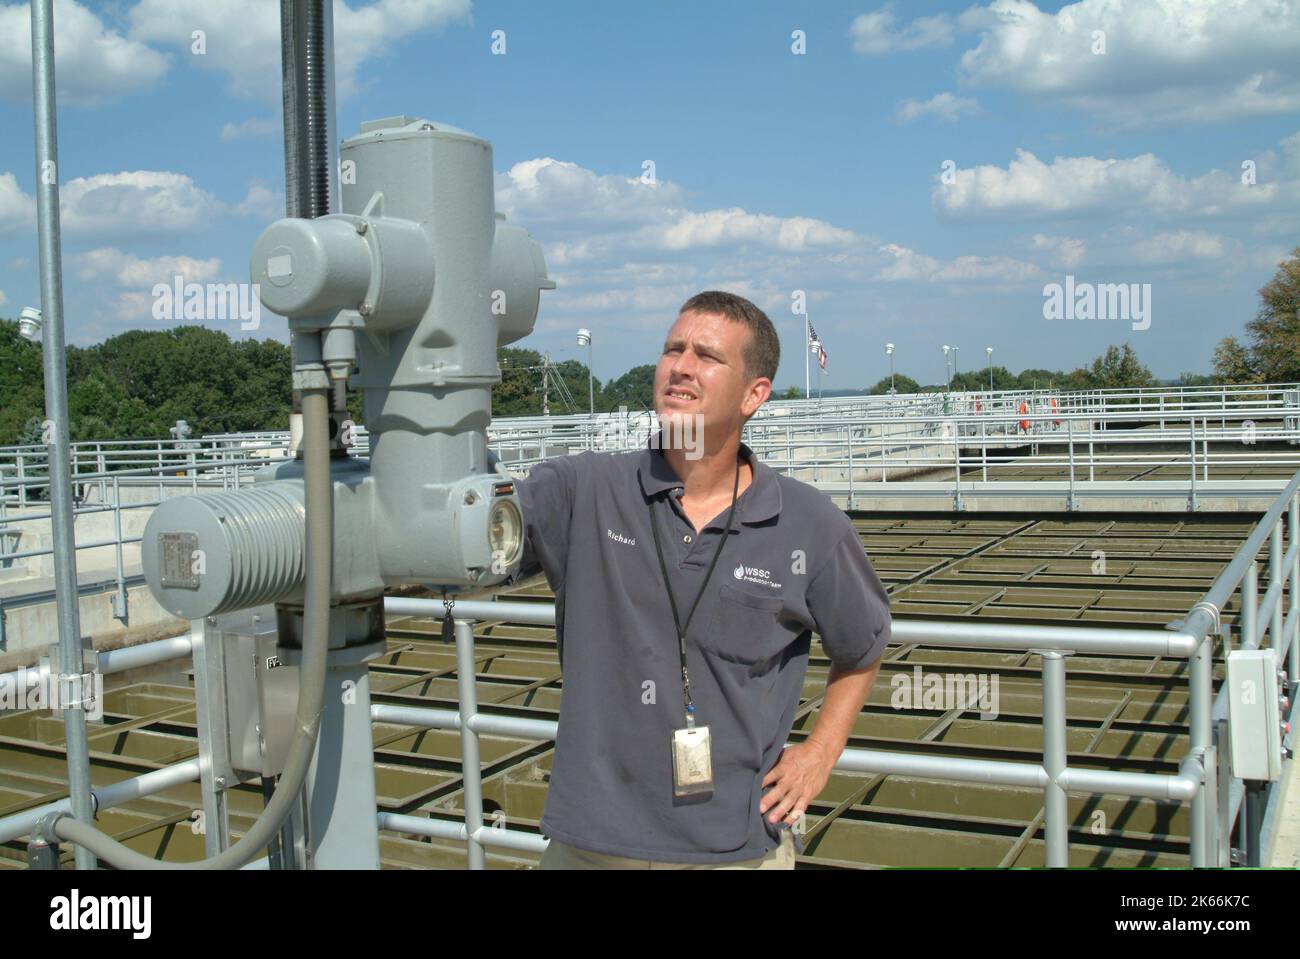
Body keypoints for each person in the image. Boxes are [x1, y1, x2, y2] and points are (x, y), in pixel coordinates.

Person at [511, 290, 891, 869]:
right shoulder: (581, 491)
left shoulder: (810, 524)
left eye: (707, 356)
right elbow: (465, 536)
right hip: (589, 846)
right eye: (672, 349)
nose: (680, 367)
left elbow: (862, 645)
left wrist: (820, 751)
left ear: (753, 395)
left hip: (733, 850)